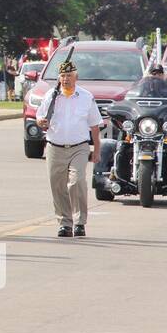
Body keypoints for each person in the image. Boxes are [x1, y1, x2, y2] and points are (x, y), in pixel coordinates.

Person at [34, 57, 104, 237]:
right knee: (57, 185)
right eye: (62, 76)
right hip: (55, 146)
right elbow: (40, 117)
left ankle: (79, 222)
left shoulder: (86, 97)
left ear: (76, 77)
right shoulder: (51, 96)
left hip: (79, 147)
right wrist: (41, 121)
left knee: (77, 182)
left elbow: (95, 126)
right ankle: (65, 222)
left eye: (69, 75)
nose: (65, 79)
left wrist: (96, 150)